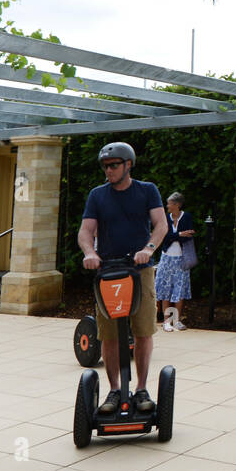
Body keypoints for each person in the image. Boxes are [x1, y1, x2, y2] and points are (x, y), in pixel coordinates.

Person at [77, 142, 167, 413]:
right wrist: (89, 252)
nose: (109, 170)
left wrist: (148, 248)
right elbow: (86, 230)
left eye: (114, 165)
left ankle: (140, 388)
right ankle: (115, 390)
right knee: (109, 335)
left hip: (140, 270)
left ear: (128, 165)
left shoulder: (147, 190)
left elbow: (161, 224)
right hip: (108, 271)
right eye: (105, 166)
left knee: (142, 331)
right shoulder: (97, 195)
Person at [155, 191, 196, 331]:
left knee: (179, 289)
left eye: (169, 204)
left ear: (177, 205)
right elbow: (163, 237)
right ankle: (167, 321)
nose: (167, 206)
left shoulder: (187, 217)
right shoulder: (165, 218)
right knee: (165, 289)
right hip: (166, 258)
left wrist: (173, 236)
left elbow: (188, 236)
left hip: (181, 258)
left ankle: (177, 320)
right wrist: (178, 234)